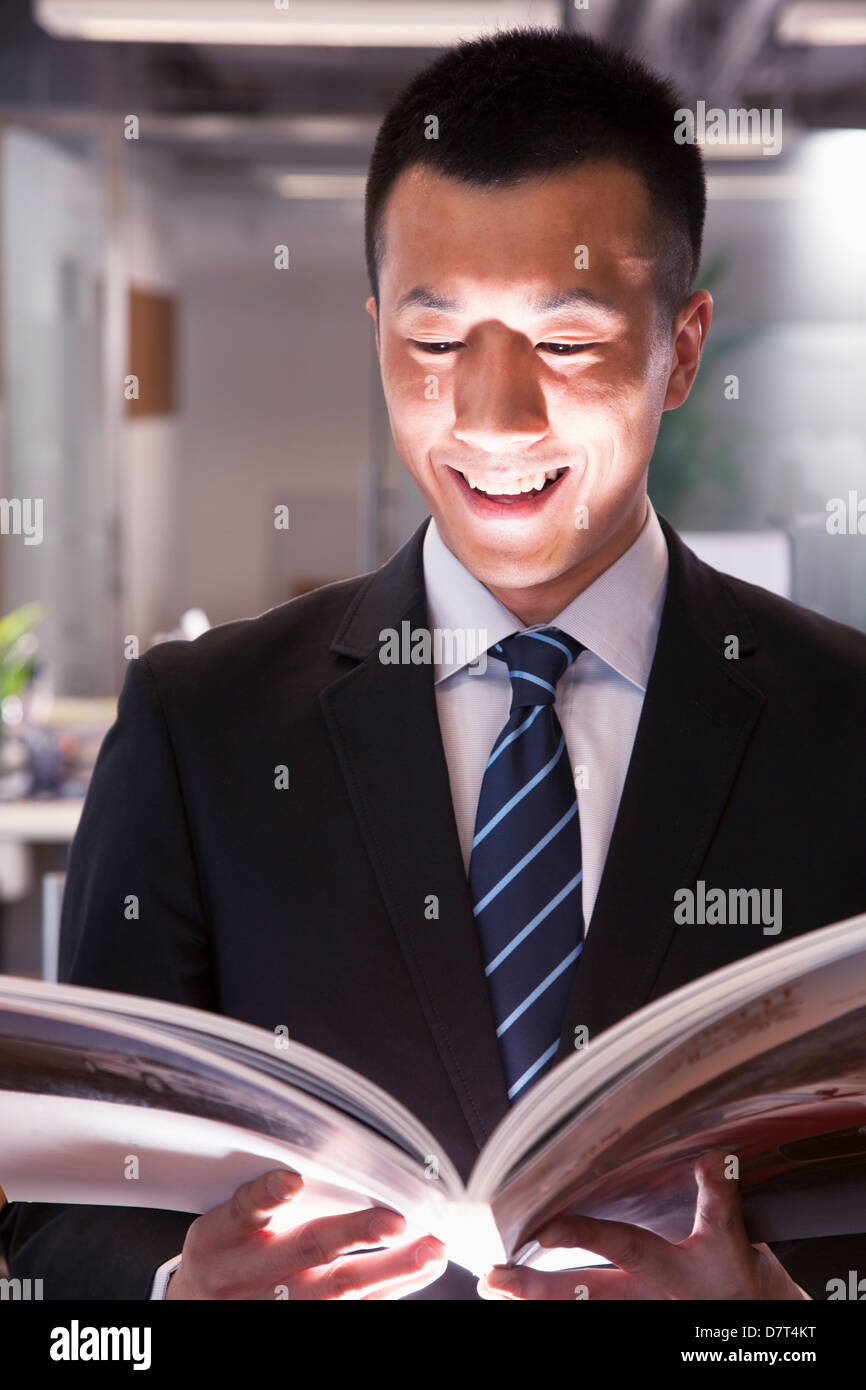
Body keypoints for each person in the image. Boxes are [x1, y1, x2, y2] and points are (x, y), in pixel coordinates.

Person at [2, 27, 865, 1302]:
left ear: (681, 350)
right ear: (375, 334)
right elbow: (65, 1234)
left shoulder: (841, 725)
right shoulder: (205, 729)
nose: (492, 416)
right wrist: (179, 1298)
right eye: (435, 339)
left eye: (565, 343)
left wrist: (767, 1331)